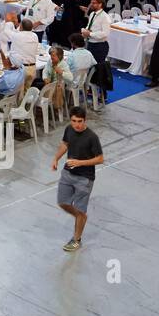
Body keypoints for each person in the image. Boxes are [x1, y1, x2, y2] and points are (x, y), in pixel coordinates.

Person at [51, 106, 104, 252]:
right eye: (74, 121)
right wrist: (56, 158)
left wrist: (80, 162)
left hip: (85, 178)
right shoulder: (69, 129)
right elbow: (65, 144)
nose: (77, 125)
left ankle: (76, 239)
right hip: (68, 173)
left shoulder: (92, 137)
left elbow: (100, 159)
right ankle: (81, 216)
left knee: (80, 209)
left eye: (80, 121)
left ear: (85, 120)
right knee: (62, 202)